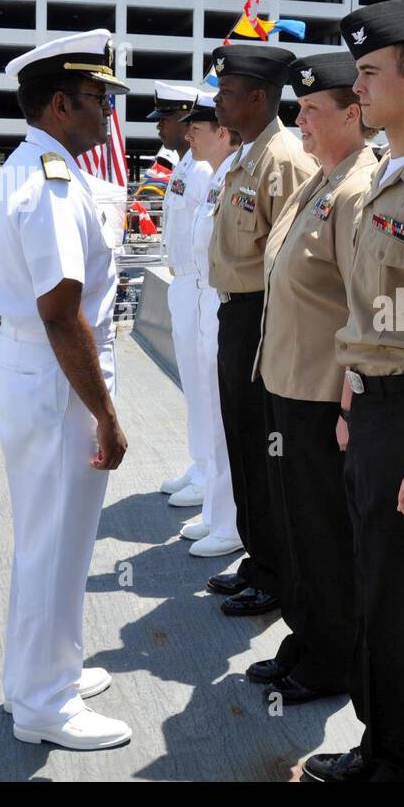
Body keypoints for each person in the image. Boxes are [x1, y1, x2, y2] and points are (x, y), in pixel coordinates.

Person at [303, 0, 404, 782]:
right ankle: (376, 743)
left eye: (368, 72)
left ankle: (401, 761)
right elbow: (362, 310)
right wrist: (346, 398)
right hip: (371, 406)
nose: (357, 88)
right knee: (375, 587)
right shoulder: (384, 178)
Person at [0, 28, 132, 749]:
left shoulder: (29, 166)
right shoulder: (51, 183)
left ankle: (45, 671)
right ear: (61, 103)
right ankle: (43, 705)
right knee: (54, 540)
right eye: (99, 98)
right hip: (56, 378)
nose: (108, 111)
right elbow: (61, 311)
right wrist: (105, 413)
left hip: (35, 371)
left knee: (52, 539)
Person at [250, 52, 378, 705]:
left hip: (323, 394)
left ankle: (332, 659)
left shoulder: (359, 191)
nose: (299, 119)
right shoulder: (318, 182)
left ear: (354, 114)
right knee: (297, 531)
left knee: (324, 537)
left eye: (312, 110)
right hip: (286, 386)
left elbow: (366, 304)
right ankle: (305, 639)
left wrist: (348, 408)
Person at [202, 44, 317, 618]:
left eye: (226, 93)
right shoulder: (246, 157)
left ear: (258, 97)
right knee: (242, 445)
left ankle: (276, 574)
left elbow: (292, 261)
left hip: (262, 318)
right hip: (234, 315)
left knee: (262, 448)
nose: (218, 101)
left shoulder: (284, 160)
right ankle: (259, 558)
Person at [180, 90, 243, 557]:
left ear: (223, 133)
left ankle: (230, 520)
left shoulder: (232, 176)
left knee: (225, 418)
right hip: (206, 298)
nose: (189, 137)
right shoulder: (221, 176)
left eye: (197, 129)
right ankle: (219, 513)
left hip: (223, 301)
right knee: (211, 408)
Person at [152, 80, 215, 511]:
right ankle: (199, 465)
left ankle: (212, 475)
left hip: (199, 283)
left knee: (206, 389)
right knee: (192, 386)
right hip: (181, 282)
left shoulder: (205, 168)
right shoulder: (183, 165)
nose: (161, 129)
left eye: (166, 120)